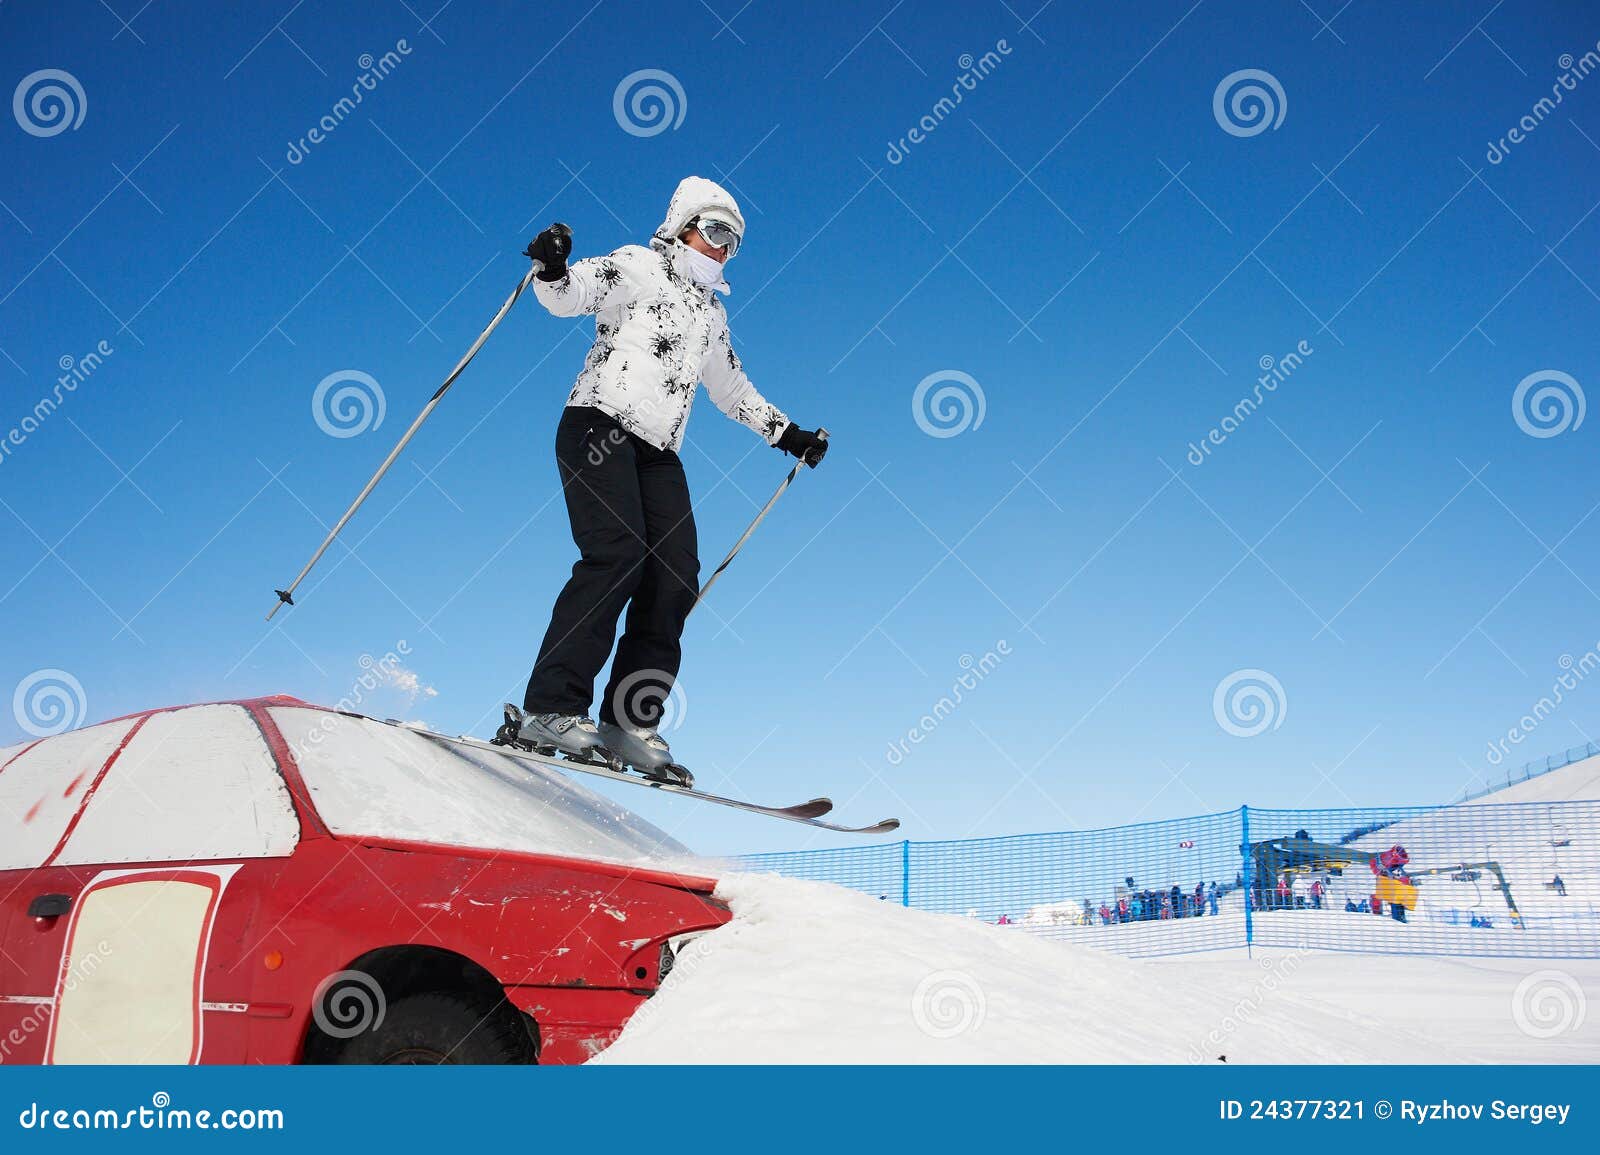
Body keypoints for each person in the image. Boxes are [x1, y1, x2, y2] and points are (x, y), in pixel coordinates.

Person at [516, 177, 829, 777]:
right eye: (713, 231)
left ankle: (628, 720)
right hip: (599, 427)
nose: (721, 248)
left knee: (675, 575)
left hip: (658, 450)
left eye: (732, 242)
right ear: (683, 225)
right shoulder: (638, 266)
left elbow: (730, 387)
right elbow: (571, 294)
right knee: (617, 555)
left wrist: (787, 433)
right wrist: (552, 267)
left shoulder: (711, 313)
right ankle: (550, 707)